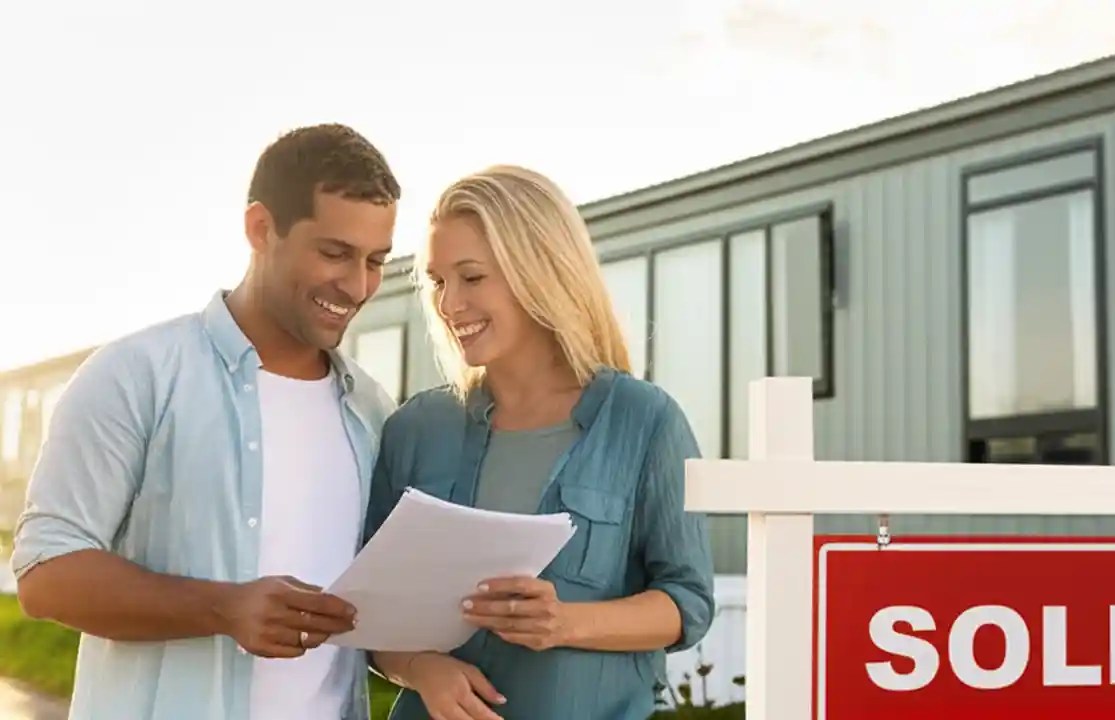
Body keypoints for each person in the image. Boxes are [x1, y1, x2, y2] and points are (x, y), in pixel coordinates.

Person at [11, 123, 402, 720]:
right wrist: (222, 607)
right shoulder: (136, 375)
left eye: (375, 261)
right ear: (260, 229)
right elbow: (46, 572)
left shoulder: (372, 408)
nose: (357, 286)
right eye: (334, 253)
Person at [364, 165, 716, 720]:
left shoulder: (645, 422)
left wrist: (567, 622)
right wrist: (420, 669)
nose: (450, 305)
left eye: (472, 277)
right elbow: (373, 619)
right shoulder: (415, 429)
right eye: (437, 282)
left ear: (540, 270)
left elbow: (687, 602)